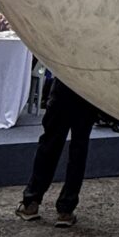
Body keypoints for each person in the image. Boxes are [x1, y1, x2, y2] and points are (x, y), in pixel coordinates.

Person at [15, 75, 101, 226]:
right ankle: (66, 210)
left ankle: (31, 202)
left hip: (65, 83)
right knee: (78, 150)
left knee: (50, 144)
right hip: (88, 88)